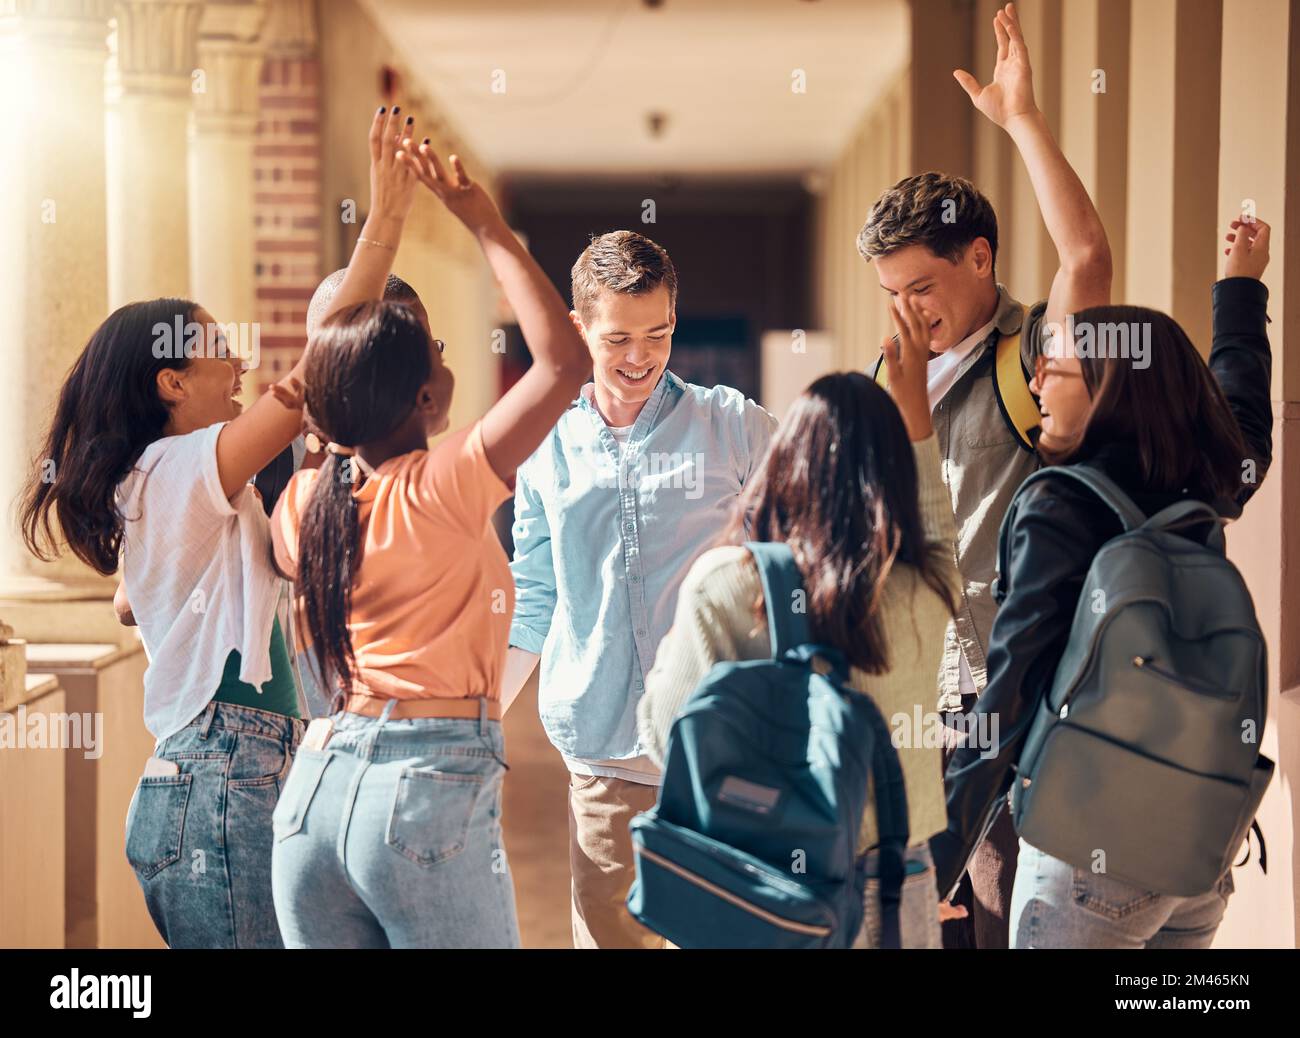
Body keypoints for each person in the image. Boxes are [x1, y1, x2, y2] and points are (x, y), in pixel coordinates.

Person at [268, 107, 588, 948]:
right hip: (419, 793)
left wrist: (387, 218)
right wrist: (483, 220)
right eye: (440, 356)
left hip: (312, 797)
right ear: (423, 397)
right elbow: (563, 363)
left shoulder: (304, 504)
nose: (451, 367)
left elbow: (331, 368)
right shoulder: (439, 487)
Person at [932, 215, 1274, 948]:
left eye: (1054, 366)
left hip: (1093, 859)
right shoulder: (1202, 479)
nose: (1035, 379)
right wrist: (1241, 291)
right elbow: (1242, 409)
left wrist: (939, 861)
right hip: (1198, 851)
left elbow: (1010, 690)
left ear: (1111, 384)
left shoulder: (1061, 503)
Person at [854, 0, 1111, 947]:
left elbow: (1087, 253)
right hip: (911, 696)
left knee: (998, 911)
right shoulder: (890, 368)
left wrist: (1025, 124)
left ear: (981, 257)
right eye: (891, 294)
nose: (907, 312)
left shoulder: (1036, 353)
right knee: (921, 921)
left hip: (1009, 698)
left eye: (923, 287)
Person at [639, 294, 968, 947]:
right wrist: (915, 412)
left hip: (761, 884)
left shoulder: (730, 585)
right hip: (898, 883)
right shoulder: (925, 589)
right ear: (894, 475)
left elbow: (667, 735)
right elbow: (933, 519)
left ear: (785, 462)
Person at [501, 230, 777, 949]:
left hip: (716, 754)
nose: (640, 356)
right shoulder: (544, 446)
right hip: (601, 754)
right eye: (619, 336)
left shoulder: (733, 426)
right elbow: (533, 595)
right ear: (579, 327)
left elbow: (813, 539)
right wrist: (475, 718)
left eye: (658, 333)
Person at [20, 301, 309, 946]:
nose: (238, 364)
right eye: (219, 348)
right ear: (172, 382)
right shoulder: (174, 468)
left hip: (223, 780)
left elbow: (133, 599)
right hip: (218, 785)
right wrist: (381, 230)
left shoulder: (168, 478)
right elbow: (302, 390)